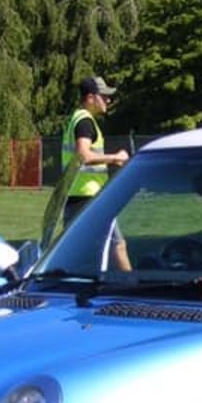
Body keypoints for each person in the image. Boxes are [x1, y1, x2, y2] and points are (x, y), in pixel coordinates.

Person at [61, 75, 130, 269]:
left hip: (75, 195)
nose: (108, 100)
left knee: (72, 250)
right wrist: (115, 157)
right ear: (91, 97)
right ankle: (133, 290)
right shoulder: (85, 123)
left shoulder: (76, 119)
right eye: (104, 96)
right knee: (118, 245)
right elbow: (84, 155)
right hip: (89, 196)